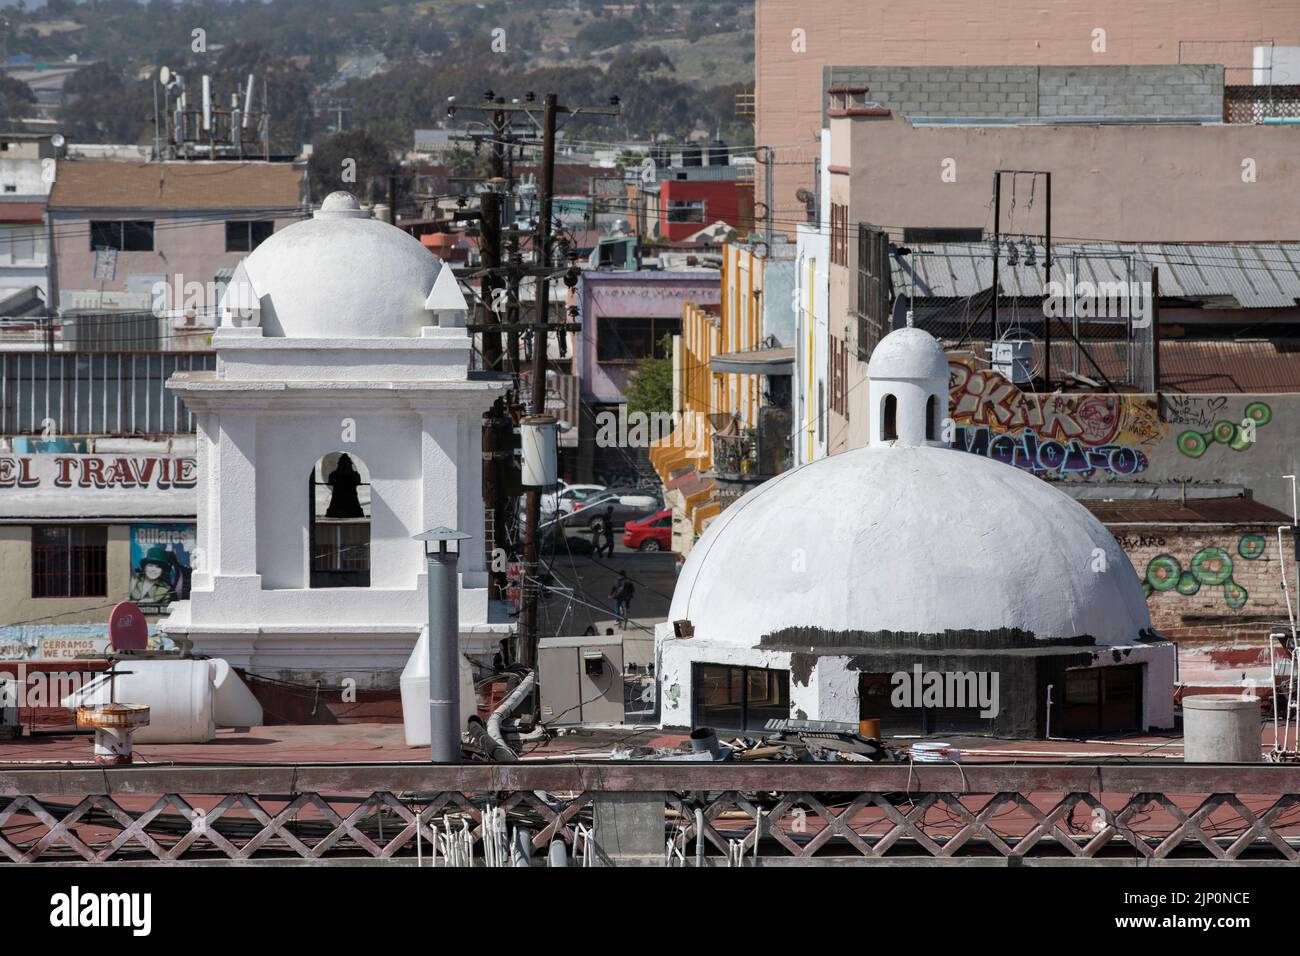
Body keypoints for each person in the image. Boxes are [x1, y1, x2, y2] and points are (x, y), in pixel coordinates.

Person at [325, 454, 364, 519]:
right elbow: (357, 481)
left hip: (337, 508)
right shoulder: (355, 475)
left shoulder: (334, 475)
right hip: (352, 508)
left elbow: (330, 481)